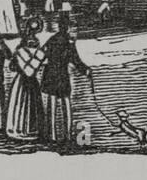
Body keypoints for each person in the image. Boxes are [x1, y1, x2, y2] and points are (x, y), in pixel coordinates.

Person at [40, 14, 90, 144]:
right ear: (67, 28)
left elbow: (42, 55)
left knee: (51, 107)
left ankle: (52, 136)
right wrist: (86, 70)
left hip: (50, 75)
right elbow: (75, 60)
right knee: (66, 106)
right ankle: (67, 135)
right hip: (61, 76)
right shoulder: (69, 42)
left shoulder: (52, 39)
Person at [5, 18, 46, 141]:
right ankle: (32, 130)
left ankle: (18, 128)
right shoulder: (39, 50)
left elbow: (12, 67)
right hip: (32, 81)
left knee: (19, 103)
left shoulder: (20, 50)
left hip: (20, 81)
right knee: (32, 103)